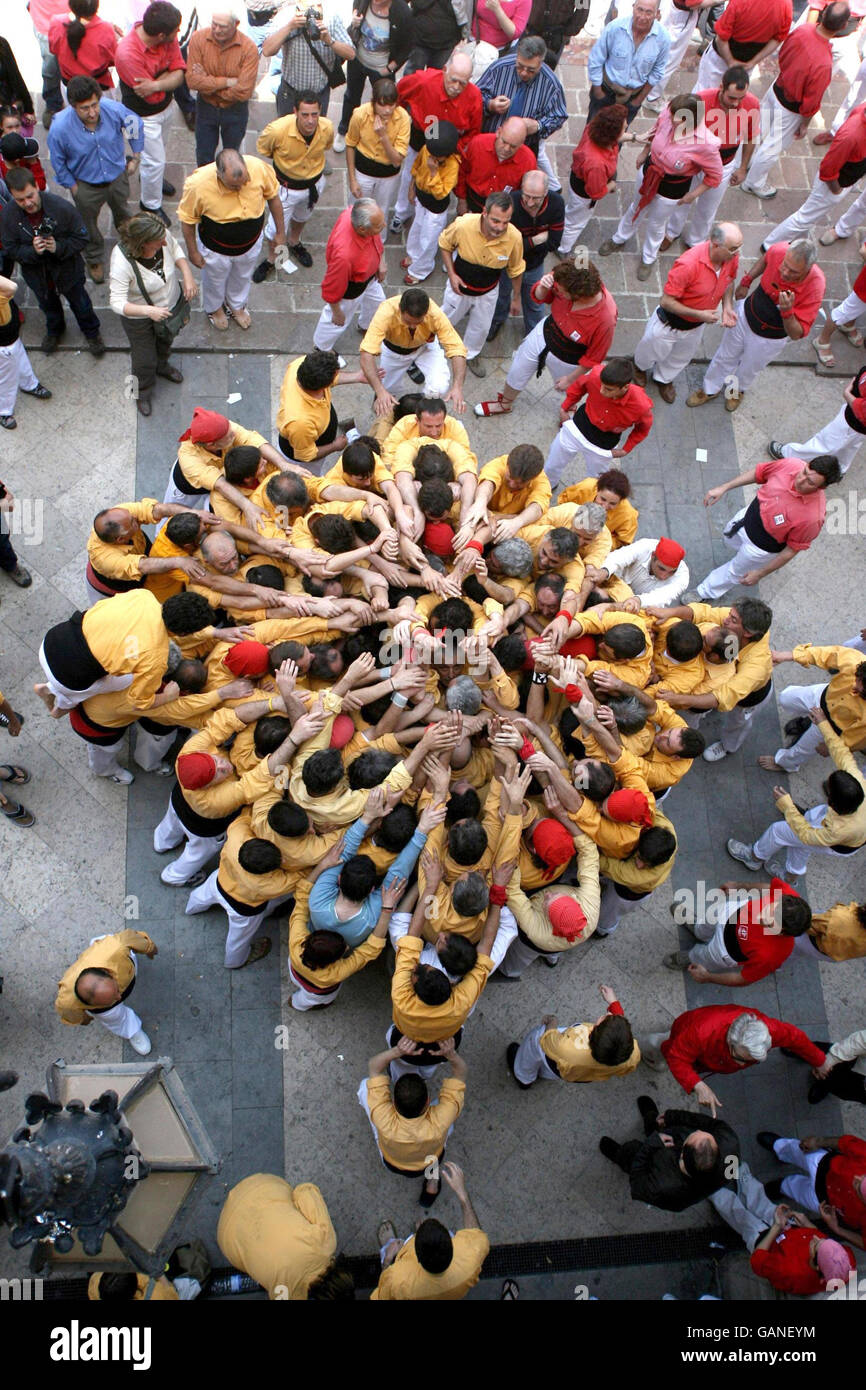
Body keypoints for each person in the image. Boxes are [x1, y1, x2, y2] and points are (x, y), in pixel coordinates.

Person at [686, 239, 825, 414]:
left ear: (807, 269)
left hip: (769, 339)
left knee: (749, 367)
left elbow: (797, 334)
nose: (784, 272)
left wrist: (788, 312)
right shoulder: (781, 250)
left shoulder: (816, 285)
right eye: (784, 265)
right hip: (746, 315)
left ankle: (735, 391)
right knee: (725, 356)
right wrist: (747, 280)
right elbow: (766, 259)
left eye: (793, 272)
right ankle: (709, 389)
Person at [598, 93, 724, 281]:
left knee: (657, 223)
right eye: (673, 114)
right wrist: (644, 152)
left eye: (679, 118)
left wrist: (693, 195)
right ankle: (619, 238)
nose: (672, 120)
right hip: (649, 173)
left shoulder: (707, 143)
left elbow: (715, 175)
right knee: (636, 208)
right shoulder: (667, 114)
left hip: (672, 187)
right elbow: (655, 131)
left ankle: (648, 257)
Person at [35, 587, 213, 716]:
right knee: (126, 679)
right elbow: (138, 703)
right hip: (68, 677)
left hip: (52, 639)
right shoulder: (156, 660)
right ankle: (59, 708)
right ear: (183, 633)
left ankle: (50, 688)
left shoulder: (144, 596)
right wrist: (168, 696)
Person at [728, 712, 866, 878]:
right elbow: (841, 752)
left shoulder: (837, 830)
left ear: (832, 802)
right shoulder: (857, 779)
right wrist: (823, 724)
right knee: (800, 843)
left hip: (837, 842)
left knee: (779, 831)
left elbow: (808, 835)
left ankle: (753, 857)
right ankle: (790, 877)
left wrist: (787, 807)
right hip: (847, 831)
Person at [739, 2, 852, 200]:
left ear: (822, 15)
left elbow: (782, 54)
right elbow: (811, 101)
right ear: (843, 27)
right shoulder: (824, 63)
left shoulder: (802, 30)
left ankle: (743, 160)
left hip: (777, 88)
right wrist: (804, 124)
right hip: (791, 108)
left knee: (759, 128)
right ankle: (753, 183)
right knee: (773, 147)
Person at [476, 259, 616, 417]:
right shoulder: (565, 277)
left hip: (570, 357)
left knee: (572, 391)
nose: (558, 291)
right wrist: (543, 287)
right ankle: (505, 403)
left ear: (578, 295)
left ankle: (568, 410)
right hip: (545, 333)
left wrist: (570, 379)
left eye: (562, 292)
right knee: (518, 369)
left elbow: (594, 357)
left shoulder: (606, 319)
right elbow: (539, 297)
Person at [695, 455, 841, 599]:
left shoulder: (812, 518)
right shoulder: (791, 465)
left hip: (759, 548)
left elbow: (791, 550)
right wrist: (724, 487)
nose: (800, 480)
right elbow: (759, 473)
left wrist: (760, 573)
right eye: (804, 472)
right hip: (746, 518)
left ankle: (704, 591)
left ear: (821, 487)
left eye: (809, 482)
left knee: (733, 572)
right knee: (729, 538)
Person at [46, 76, 144, 285]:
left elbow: (135, 123)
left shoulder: (113, 110)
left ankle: (129, 241)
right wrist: (72, 186)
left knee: (124, 213)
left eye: (94, 105)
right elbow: (58, 160)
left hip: (117, 178)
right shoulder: (60, 128)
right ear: (73, 106)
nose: (92, 113)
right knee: (88, 225)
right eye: (84, 108)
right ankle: (94, 257)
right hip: (86, 186)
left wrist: (136, 156)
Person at [644, 1005, 826, 1114]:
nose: (740, 1065)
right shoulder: (701, 1032)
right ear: (731, 1039)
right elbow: (677, 1057)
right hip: (684, 1034)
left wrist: (820, 1061)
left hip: (704, 1055)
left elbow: (796, 1038)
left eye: (750, 1060)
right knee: (661, 1045)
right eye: (740, 1058)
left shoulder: (766, 1032)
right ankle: (644, 1049)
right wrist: (698, 1085)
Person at [632, 223, 741, 403]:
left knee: (680, 357)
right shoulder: (688, 264)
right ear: (715, 244)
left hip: (695, 326)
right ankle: (639, 368)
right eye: (733, 249)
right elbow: (666, 302)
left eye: (739, 247)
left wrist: (728, 305)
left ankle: (663, 379)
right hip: (668, 323)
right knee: (649, 350)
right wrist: (700, 314)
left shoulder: (730, 258)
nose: (737, 253)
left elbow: (729, 281)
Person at [0, 167, 105, 355]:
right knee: (48, 307)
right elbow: (10, 249)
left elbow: (81, 238)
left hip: (68, 271)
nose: (27, 203)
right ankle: (55, 331)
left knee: (81, 304)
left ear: (37, 187)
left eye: (30, 196)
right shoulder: (9, 216)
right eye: (20, 200)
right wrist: (32, 251)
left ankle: (92, 332)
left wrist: (58, 247)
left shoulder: (61, 208)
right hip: (38, 276)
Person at [178, 148, 283, 331]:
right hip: (215, 249)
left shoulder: (259, 168)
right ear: (219, 175)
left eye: (244, 183)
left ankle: (237, 305)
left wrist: (280, 233)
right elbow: (187, 220)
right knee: (214, 279)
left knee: (242, 276)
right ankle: (215, 308)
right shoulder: (197, 184)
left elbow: (273, 198)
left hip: (250, 244)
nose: (240, 188)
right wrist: (193, 251)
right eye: (234, 186)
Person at [358, 1035, 467, 1204]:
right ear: (428, 1102)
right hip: (429, 1158)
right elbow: (460, 1074)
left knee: (366, 1086)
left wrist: (397, 1051)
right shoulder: (441, 1121)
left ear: (393, 1103)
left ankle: (432, 1180)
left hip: (392, 1162)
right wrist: (451, 1054)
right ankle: (432, 1183)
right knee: (434, 1157)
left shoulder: (383, 1118)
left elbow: (373, 1067)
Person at [110, 210, 197, 417]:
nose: (164, 243)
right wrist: (148, 311)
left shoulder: (161, 234)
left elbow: (175, 250)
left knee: (166, 341)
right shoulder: (122, 262)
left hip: (169, 306)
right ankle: (141, 392)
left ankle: (162, 365)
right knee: (143, 359)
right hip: (139, 317)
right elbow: (116, 302)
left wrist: (188, 275)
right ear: (143, 243)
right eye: (158, 242)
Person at [664, 67, 759, 249]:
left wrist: (742, 167)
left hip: (724, 162)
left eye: (741, 98)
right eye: (732, 98)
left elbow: (751, 137)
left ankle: (695, 241)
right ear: (721, 87)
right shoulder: (701, 99)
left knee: (708, 208)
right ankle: (671, 232)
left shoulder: (752, 104)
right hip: (694, 162)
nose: (736, 103)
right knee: (683, 198)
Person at [217, 1174, 353, 1299]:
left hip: (257, 1187)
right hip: (226, 1236)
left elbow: (304, 1190)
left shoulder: (326, 1243)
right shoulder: (285, 1295)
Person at [391, 53, 483, 234]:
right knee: (409, 175)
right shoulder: (423, 81)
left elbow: (474, 131)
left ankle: (430, 216)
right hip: (420, 138)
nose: (456, 87)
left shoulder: (474, 97)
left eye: (462, 83)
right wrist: (399, 121)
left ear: (470, 80)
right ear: (444, 71)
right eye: (453, 80)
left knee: (442, 184)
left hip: (449, 149)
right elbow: (399, 92)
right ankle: (401, 213)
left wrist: (456, 147)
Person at [600, 1097, 740, 1213]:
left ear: (682, 1154)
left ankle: (620, 1155)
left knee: (631, 1154)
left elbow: (637, 1183)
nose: (697, 1130)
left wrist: (651, 1144)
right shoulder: (730, 1143)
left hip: (650, 1161)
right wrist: (672, 1117)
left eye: (692, 1135)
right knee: (663, 1129)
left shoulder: (663, 1187)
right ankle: (652, 1122)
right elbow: (705, 1122)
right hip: (671, 1143)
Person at [115, 1, 187, 227]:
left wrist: (156, 84)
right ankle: (150, 204)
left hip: (166, 107)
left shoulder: (168, 36)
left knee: (156, 157)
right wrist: (167, 78)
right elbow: (151, 97)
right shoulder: (127, 53)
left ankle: (151, 182)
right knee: (154, 161)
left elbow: (179, 74)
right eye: (175, 32)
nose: (179, 34)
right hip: (140, 117)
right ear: (161, 34)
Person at [372, 1161, 489, 1299]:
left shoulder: (397, 1279)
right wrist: (463, 1195)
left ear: (417, 1258)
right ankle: (431, 1185)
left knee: (390, 1250)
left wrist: (387, 1261)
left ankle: (389, 1246)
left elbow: (382, 1296)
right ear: (452, 1245)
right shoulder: (471, 1257)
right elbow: (476, 1233)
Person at [439, 192, 525, 378]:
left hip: (488, 292)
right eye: (495, 221)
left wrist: (516, 298)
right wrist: (452, 274)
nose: (500, 227)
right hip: (459, 288)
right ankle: (433, 346)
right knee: (445, 318)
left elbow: (516, 270)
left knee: (481, 327)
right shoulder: (463, 225)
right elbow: (445, 244)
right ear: (484, 212)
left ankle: (471, 354)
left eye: (505, 222)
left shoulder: (515, 238)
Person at [666, 875, 812, 982]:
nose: (761, 916)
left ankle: (691, 957)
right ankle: (698, 928)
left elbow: (743, 978)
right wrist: (738, 886)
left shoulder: (775, 954)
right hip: (729, 912)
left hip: (725, 950)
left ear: (782, 933)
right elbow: (768, 888)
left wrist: (708, 977)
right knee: (705, 923)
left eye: (770, 923)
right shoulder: (788, 897)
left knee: (703, 956)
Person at [761, 104, 866, 249]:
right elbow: (828, 169)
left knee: (808, 218)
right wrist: (836, 190)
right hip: (835, 184)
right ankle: (770, 246)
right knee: (805, 218)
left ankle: (793, 240)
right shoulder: (850, 136)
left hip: (848, 178)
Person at [254, 91, 333, 279]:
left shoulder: (327, 127)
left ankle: (295, 241)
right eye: (305, 115)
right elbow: (264, 149)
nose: (310, 121)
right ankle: (273, 259)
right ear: (295, 111)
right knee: (274, 230)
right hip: (285, 189)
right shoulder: (277, 130)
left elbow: (327, 147)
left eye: (315, 114)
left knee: (303, 215)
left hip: (313, 185)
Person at [759, 642, 866, 774]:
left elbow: (857, 738)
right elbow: (827, 654)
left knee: (801, 750)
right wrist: (788, 655)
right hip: (822, 696)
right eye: (857, 678)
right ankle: (808, 720)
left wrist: (831, 747)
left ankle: (785, 764)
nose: (854, 686)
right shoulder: (857, 661)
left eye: (861, 689)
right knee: (785, 698)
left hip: (831, 727)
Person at [477, 34, 568, 187]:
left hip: (524, 148)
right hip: (491, 139)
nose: (524, 73)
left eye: (531, 70)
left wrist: (538, 125)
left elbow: (558, 115)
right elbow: (475, 96)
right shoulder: (499, 69)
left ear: (541, 63)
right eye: (520, 66)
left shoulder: (551, 85)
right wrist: (490, 104)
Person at [546, 357, 653, 487]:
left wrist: (626, 449)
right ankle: (548, 486)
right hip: (579, 424)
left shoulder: (641, 405)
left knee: (597, 480)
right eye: (601, 385)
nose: (601, 391)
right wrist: (565, 408)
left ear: (625, 387)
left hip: (604, 443)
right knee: (552, 463)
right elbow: (579, 386)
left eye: (608, 389)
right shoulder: (596, 374)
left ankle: (592, 502)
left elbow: (643, 429)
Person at [359, 286, 467, 412]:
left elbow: (457, 349)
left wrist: (457, 387)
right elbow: (366, 353)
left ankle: (423, 409)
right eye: (408, 321)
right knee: (387, 389)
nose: (413, 326)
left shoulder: (435, 314)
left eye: (418, 322)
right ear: (400, 309)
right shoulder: (385, 312)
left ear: (426, 313)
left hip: (425, 347)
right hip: (394, 352)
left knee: (439, 387)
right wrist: (380, 391)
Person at [508, 984, 639, 1087]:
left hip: (554, 1056)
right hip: (575, 1073)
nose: (610, 1014)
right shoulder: (632, 1055)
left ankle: (524, 1079)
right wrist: (614, 1004)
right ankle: (540, 1074)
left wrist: (552, 1020)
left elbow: (547, 1039)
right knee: (551, 1071)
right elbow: (619, 1035)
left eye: (606, 1018)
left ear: (594, 1029)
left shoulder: (566, 1047)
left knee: (535, 1039)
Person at [486, 169, 564, 341]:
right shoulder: (511, 202)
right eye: (526, 195)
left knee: (535, 302)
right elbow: (503, 244)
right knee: (501, 297)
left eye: (535, 198)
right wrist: (536, 240)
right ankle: (497, 321)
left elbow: (554, 243)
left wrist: (520, 242)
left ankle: (534, 336)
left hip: (534, 265)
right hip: (507, 265)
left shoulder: (556, 203)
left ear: (546, 193)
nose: (529, 202)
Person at [55, 927, 158, 1055]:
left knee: (109, 943)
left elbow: (134, 938)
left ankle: (99, 943)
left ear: (108, 972)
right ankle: (132, 1030)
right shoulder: (67, 1001)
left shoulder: (118, 947)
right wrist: (83, 1019)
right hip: (105, 1006)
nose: (119, 997)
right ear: (88, 1004)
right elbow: (69, 1013)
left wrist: (149, 948)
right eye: (111, 999)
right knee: (114, 1017)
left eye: (115, 990)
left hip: (116, 958)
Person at [757, 1131, 866, 1246]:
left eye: (858, 1187)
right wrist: (819, 1142)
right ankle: (779, 1147)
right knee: (795, 1150)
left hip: (823, 1201)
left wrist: (837, 1229)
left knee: (794, 1189)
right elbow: (846, 1143)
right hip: (822, 1163)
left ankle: (781, 1186)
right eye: (864, 1177)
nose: (858, 1178)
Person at [335, 0, 416, 152]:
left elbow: (408, 46)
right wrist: (355, 23)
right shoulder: (363, 1)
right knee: (351, 95)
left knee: (384, 102)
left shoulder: (402, 12)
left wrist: (390, 68)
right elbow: (355, 23)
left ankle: (381, 135)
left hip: (381, 68)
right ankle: (343, 130)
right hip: (358, 60)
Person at [185, 9, 259, 168]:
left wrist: (207, 80)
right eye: (214, 24)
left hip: (235, 111)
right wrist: (226, 82)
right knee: (204, 155)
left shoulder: (248, 48)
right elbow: (192, 81)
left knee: (231, 156)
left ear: (236, 25)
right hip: (206, 108)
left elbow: (244, 91)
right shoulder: (198, 39)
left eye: (222, 26)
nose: (217, 30)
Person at [312, 198, 386, 352]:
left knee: (378, 303)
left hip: (370, 279)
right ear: (362, 229)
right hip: (352, 288)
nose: (384, 226)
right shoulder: (344, 256)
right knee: (336, 322)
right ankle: (322, 348)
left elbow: (375, 239)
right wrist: (336, 311)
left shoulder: (355, 214)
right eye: (379, 226)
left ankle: (366, 326)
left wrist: (380, 261)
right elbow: (331, 285)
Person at [585, 0, 672, 127]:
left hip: (632, 97)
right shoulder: (615, 27)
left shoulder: (663, 38)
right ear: (633, 8)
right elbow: (596, 59)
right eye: (640, 10)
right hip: (606, 90)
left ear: (657, 14)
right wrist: (598, 92)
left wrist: (638, 101)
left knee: (616, 137)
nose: (642, 16)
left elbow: (657, 71)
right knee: (593, 130)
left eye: (648, 12)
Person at [262, 3, 355, 119]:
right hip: (291, 93)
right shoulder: (286, 15)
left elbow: (351, 54)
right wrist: (290, 26)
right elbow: (267, 50)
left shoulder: (331, 16)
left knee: (317, 134)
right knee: (287, 134)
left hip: (319, 94)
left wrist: (330, 41)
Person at [560, 103, 630, 255]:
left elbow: (617, 138)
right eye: (624, 128)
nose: (627, 127)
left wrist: (635, 138)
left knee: (572, 212)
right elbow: (595, 193)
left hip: (578, 179)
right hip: (584, 192)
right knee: (576, 223)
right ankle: (563, 248)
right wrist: (611, 185)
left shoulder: (594, 128)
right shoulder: (596, 164)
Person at [276, 349, 366, 466]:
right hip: (302, 460)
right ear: (324, 386)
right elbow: (306, 455)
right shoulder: (299, 423)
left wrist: (357, 377)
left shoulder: (301, 365)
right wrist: (334, 446)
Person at [771, 366, 866, 472]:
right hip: (858, 422)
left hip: (853, 420)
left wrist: (847, 394)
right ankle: (839, 468)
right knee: (850, 446)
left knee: (826, 443)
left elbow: (863, 410)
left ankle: (790, 455)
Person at [400, 119, 460, 284]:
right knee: (417, 227)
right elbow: (417, 167)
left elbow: (441, 193)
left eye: (437, 156)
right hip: (421, 197)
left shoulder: (453, 165)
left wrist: (434, 172)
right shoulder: (428, 149)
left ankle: (421, 270)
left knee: (429, 237)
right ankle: (414, 255)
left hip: (435, 207)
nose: (432, 157)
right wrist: (412, 187)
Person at [345, 76, 410, 223]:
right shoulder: (360, 114)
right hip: (363, 171)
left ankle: (377, 242)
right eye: (382, 105)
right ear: (374, 102)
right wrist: (352, 179)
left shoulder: (403, 118)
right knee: (356, 210)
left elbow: (397, 161)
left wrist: (384, 137)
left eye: (391, 105)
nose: (387, 110)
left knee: (382, 211)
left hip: (388, 175)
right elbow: (350, 144)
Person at [750, 1205, 855, 1295]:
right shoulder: (845, 1263)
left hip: (763, 1239)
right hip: (792, 1231)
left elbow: (757, 1259)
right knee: (762, 1203)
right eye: (824, 1240)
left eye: (816, 1245)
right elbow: (822, 1242)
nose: (815, 1237)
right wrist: (808, 1224)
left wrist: (776, 1227)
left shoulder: (788, 1271)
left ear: (817, 1266)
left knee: (740, 1213)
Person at [694, 0, 792, 93]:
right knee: (732, 100)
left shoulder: (741, 2)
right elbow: (777, 39)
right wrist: (753, 62)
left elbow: (721, 38)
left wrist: (730, 62)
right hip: (747, 62)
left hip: (720, 59)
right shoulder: (786, 5)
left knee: (703, 93)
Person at [0, 272, 51, 431]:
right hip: (4, 344)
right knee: (6, 378)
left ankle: (29, 384)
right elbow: (12, 286)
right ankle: (4, 411)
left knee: (20, 358)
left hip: (11, 338)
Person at [456, 118, 537, 214]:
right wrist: (462, 200)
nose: (506, 149)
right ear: (498, 132)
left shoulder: (528, 161)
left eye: (513, 146)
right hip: (473, 200)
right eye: (504, 142)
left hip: (502, 207)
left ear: (521, 143)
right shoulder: (477, 144)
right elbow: (462, 172)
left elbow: (524, 193)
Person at [48, 0, 118, 93]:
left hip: (69, 85)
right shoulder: (106, 28)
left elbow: (53, 49)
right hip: (99, 87)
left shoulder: (56, 22)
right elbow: (114, 58)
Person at [29, 0, 69, 128]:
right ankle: (53, 105)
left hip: (75, 16)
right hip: (46, 20)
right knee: (51, 69)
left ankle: (80, 104)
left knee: (77, 66)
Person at [809, 1026, 866, 1105]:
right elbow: (862, 1041)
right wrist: (830, 1059)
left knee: (845, 1092)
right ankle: (806, 1048)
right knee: (838, 1064)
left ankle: (826, 1085)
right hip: (856, 1063)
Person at [524, 0, 587, 68]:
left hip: (555, 37)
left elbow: (582, 12)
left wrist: (565, 33)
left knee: (545, 72)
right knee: (521, 67)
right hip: (530, 31)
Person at [405, 0, 463, 71]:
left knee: (435, 77)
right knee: (412, 76)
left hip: (446, 42)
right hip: (420, 40)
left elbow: (462, 11)